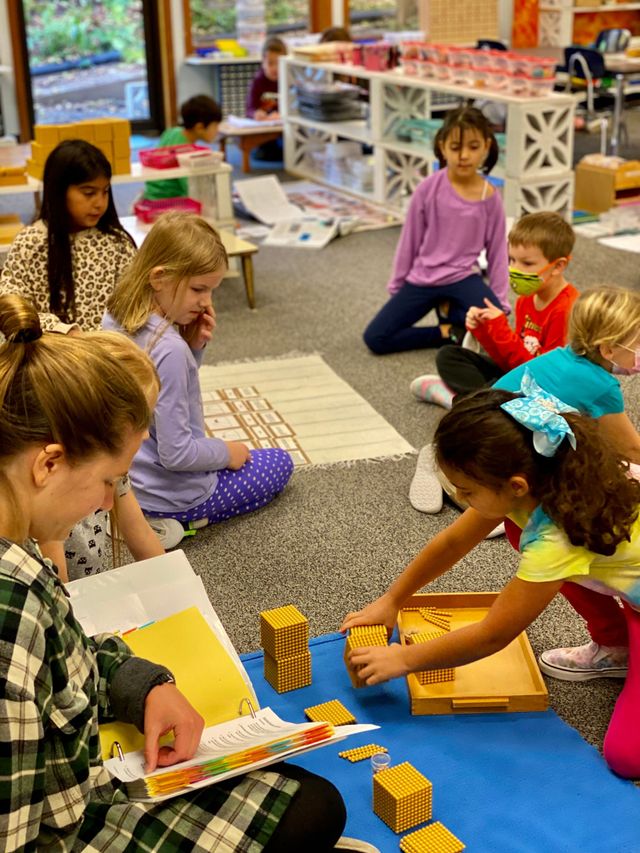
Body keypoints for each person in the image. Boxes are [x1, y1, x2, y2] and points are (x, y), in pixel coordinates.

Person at [0, 294, 347, 851]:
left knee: (306, 796)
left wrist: (141, 685)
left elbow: (67, 657)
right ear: (49, 463)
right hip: (64, 832)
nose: (107, 503)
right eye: (108, 482)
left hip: (74, 790)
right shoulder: (12, 604)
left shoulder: (23, 552)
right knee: (311, 810)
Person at [341, 380, 640, 779]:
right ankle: (618, 642)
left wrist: (403, 659)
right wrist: (392, 599)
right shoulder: (551, 478)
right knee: (521, 534)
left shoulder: (558, 538)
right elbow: (452, 542)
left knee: (627, 757)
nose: (460, 499)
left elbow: (493, 634)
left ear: (516, 485)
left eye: (467, 491)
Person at [103, 212, 294, 534]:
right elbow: (177, 454)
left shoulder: (114, 316)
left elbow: (157, 393)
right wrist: (226, 453)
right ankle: (185, 521)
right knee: (278, 462)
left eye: (211, 291)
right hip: (171, 495)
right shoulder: (169, 350)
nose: (206, 303)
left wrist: (192, 350)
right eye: (198, 289)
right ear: (159, 278)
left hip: (126, 484)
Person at [362, 106, 509, 355]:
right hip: (423, 279)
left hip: (463, 277)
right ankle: (447, 331)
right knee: (375, 338)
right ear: (442, 147)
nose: (464, 155)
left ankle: (450, 311)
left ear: (486, 147)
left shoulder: (490, 197)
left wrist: (500, 304)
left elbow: (497, 253)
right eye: (455, 147)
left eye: (473, 147)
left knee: (497, 333)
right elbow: (409, 241)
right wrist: (397, 287)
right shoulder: (427, 189)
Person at [38, 333, 182, 580]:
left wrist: (173, 585)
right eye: (139, 421)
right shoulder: (52, 495)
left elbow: (139, 531)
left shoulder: (110, 468)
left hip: (92, 586)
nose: (146, 434)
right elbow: (60, 589)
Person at [411, 211, 578, 409]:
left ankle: (467, 402)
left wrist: (501, 329)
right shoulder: (526, 299)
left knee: (499, 389)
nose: (515, 269)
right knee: (448, 356)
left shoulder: (566, 309)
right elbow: (509, 360)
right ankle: (479, 402)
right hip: (520, 373)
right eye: (512, 260)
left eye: (527, 263)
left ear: (558, 266)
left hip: (543, 388)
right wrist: (483, 330)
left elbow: (541, 375)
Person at [0, 139, 136, 332]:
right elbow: (11, 306)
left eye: (105, 191)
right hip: (47, 350)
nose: (100, 203)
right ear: (59, 191)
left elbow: (134, 304)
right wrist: (61, 330)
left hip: (107, 349)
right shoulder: (30, 243)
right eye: (89, 193)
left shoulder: (118, 244)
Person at [143, 94, 222, 201]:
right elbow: (188, 185)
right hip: (169, 198)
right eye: (216, 126)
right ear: (199, 127)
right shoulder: (186, 150)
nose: (218, 130)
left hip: (151, 192)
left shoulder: (172, 131)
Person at [246, 36, 287, 121]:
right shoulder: (257, 81)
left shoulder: (288, 80)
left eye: (279, 63)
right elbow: (249, 109)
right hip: (263, 124)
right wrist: (255, 113)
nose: (275, 68)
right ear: (263, 62)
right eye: (270, 63)